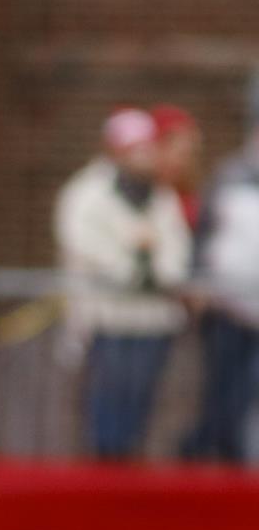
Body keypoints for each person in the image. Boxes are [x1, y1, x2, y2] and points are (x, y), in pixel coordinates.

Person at [55, 107, 191, 461]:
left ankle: (127, 468)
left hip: (153, 317)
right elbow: (85, 243)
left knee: (141, 400)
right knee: (108, 400)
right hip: (109, 316)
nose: (144, 157)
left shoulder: (160, 197)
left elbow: (175, 244)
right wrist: (132, 268)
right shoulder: (87, 194)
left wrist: (160, 273)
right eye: (136, 149)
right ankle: (106, 471)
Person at [181, 105, 259, 465]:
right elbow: (203, 235)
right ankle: (219, 455)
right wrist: (199, 281)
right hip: (226, 306)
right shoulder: (228, 177)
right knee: (223, 388)